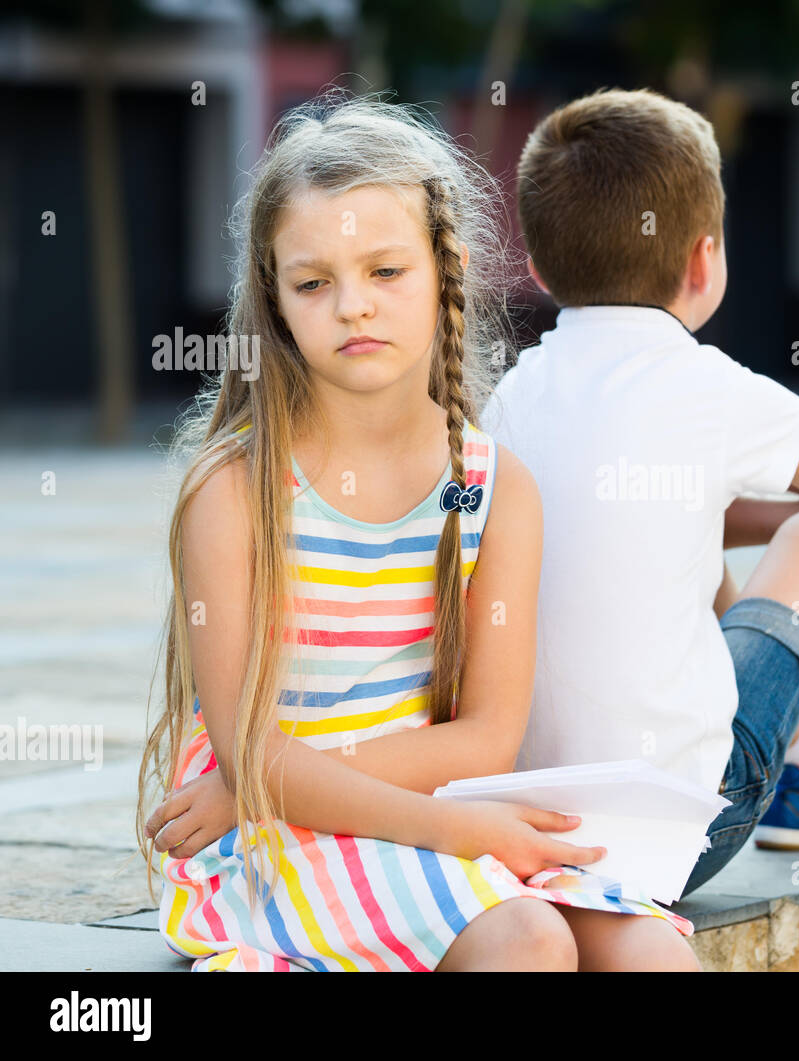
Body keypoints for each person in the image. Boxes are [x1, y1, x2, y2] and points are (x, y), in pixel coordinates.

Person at [134, 92, 700, 971]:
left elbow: (484, 738)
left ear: (448, 271)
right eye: (314, 281)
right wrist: (437, 821)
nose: (352, 305)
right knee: (529, 937)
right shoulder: (233, 490)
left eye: (385, 271)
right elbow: (253, 751)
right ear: (276, 301)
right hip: (271, 837)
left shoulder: (495, 488)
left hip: (386, 803)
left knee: (651, 954)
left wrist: (279, 778)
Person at [480, 88, 799, 898]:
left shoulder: (513, 395)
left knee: (700, 545)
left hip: (528, 824)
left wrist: (776, 506)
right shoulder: (702, 384)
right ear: (704, 258)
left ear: (541, 269)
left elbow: (647, 509)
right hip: (685, 829)